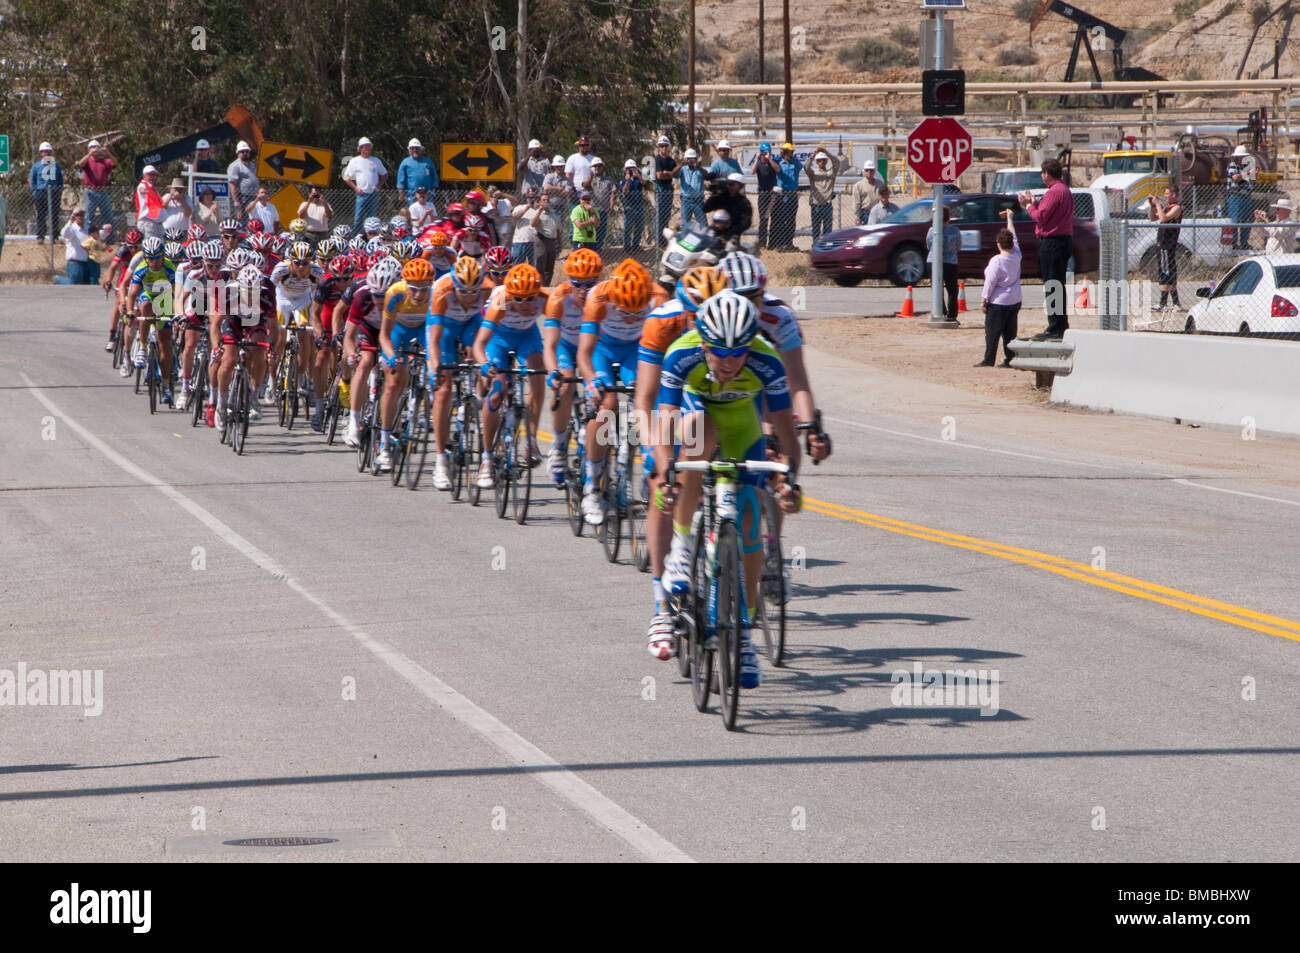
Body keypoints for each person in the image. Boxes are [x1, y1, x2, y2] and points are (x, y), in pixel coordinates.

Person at [1018, 157, 1073, 340]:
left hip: (1052, 242)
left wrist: (1028, 205)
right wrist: (1034, 203)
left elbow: (1040, 216)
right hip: (1062, 241)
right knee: (1057, 284)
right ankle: (1060, 323)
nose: (1042, 176)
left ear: (1047, 173)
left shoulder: (1054, 192)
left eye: (1043, 173)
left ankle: (1055, 326)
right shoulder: (1064, 190)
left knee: (1052, 284)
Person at [977, 209, 1021, 367]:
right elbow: (1013, 234)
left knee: (992, 332)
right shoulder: (1017, 254)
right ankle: (1010, 359)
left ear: (998, 244)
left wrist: (984, 299)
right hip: (1015, 299)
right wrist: (1010, 218)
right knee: (1010, 332)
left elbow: (990, 283)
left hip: (998, 302)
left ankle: (989, 359)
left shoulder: (996, 261)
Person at [344, 136, 388, 237]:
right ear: (360, 149)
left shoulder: (375, 161)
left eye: (368, 147)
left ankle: (371, 238)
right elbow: (346, 177)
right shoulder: (355, 161)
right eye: (364, 147)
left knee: (372, 219)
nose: (366, 149)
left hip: (373, 194)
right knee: (358, 218)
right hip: (361, 194)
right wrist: (355, 188)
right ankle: (356, 238)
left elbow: (385, 174)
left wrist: (379, 186)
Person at [1149, 186, 1183, 312]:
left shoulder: (1176, 207)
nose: (1165, 196)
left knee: (1166, 273)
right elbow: (1153, 218)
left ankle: (1163, 304)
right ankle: (1175, 303)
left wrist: (1157, 203)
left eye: (1168, 193)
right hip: (1162, 245)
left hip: (1167, 245)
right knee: (1169, 273)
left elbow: (1164, 218)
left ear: (1174, 194)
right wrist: (1152, 206)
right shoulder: (1166, 208)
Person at [926, 206, 960, 322]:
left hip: (933, 261)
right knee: (952, 289)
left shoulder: (932, 230)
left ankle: (941, 312)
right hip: (950, 262)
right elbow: (958, 246)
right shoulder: (954, 230)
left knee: (937, 288)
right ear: (948, 217)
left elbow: (928, 245)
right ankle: (952, 315)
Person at [77, 140, 117, 233]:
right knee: (89, 217)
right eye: (92, 147)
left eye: (96, 147)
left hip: (102, 192)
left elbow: (114, 163)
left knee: (108, 216)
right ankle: (87, 236)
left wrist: (108, 153)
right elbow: (80, 164)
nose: (95, 149)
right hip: (91, 192)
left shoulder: (104, 162)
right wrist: (89, 155)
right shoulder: (88, 161)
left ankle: (109, 239)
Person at [703, 173, 753, 244]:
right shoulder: (721, 197)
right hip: (715, 233)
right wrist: (714, 195)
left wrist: (730, 234)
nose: (731, 186)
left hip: (731, 237)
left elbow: (746, 223)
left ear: (740, 186)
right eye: (729, 183)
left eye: (733, 184)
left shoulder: (743, 202)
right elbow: (706, 209)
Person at [804, 148, 841, 241]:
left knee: (828, 229)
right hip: (816, 205)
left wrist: (826, 152)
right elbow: (806, 167)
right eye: (819, 160)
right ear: (816, 162)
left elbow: (837, 162)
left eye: (824, 160)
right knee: (816, 229)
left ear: (827, 161)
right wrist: (812, 156)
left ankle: (826, 247)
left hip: (827, 204)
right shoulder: (813, 174)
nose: (822, 162)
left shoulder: (831, 173)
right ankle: (816, 246)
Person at [30, 142, 64, 244]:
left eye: (49, 152)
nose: (47, 153)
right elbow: (32, 179)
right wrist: (35, 191)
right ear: (41, 153)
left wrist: (59, 191)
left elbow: (60, 180)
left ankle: (54, 236)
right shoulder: (36, 166)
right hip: (41, 193)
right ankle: (41, 236)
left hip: (54, 193)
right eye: (45, 152)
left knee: (54, 214)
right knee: (41, 215)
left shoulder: (56, 166)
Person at [749, 143, 780, 248]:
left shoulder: (773, 162)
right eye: (764, 152)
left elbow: (778, 170)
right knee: (764, 218)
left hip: (773, 195)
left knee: (774, 218)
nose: (765, 154)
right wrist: (757, 159)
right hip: (763, 194)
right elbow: (752, 172)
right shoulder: (758, 163)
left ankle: (773, 243)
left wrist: (769, 159)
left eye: (767, 152)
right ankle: (762, 243)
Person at [772, 142, 801, 250]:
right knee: (782, 218)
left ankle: (789, 243)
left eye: (792, 152)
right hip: (782, 194)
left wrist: (791, 157)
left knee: (791, 220)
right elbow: (774, 166)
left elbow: (800, 167)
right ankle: (781, 243)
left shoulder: (795, 162)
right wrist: (781, 154)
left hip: (792, 194)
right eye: (789, 152)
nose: (791, 154)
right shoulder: (778, 163)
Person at [58, 209, 98, 284]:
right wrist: (70, 221)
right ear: (74, 217)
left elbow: (97, 237)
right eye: (77, 215)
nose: (80, 217)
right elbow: (64, 234)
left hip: (86, 263)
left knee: (87, 285)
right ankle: (57, 279)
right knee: (74, 285)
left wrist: (106, 231)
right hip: (75, 263)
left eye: (82, 215)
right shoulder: (72, 229)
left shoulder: (87, 229)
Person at [226, 141, 260, 225]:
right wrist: (236, 201)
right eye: (242, 151)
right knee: (243, 220)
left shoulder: (252, 164)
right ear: (238, 153)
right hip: (243, 197)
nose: (245, 153)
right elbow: (232, 184)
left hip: (254, 196)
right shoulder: (235, 166)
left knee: (254, 219)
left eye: (247, 151)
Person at [396, 138, 437, 205]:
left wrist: (432, 190)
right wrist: (401, 193)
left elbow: (434, 176)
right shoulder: (405, 162)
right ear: (409, 150)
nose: (415, 150)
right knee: (413, 214)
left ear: (421, 149)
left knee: (427, 213)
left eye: (417, 148)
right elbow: (401, 179)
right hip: (412, 195)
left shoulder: (428, 161)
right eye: (412, 148)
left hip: (427, 194)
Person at [653, 136, 677, 247]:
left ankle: (663, 240)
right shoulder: (657, 159)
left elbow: (676, 173)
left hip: (669, 188)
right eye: (662, 146)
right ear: (659, 147)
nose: (664, 148)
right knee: (659, 214)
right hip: (660, 188)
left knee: (666, 215)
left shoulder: (671, 161)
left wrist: (666, 173)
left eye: (665, 146)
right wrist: (669, 173)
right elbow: (659, 176)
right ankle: (657, 240)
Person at [586, 159, 615, 250]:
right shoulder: (589, 178)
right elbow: (586, 186)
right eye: (595, 166)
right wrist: (591, 177)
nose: (597, 168)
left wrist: (611, 206)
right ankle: (591, 249)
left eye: (599, 166)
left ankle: (598, 249)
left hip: (603, 209)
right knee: (591, 230)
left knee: (602, 230)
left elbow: (612, 194)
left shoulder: (609, 180)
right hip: (591, 209)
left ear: (602, 167)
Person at [509, 187, 542, 264]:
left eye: (534, 197)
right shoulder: (520, 207)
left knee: (534, 267)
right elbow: (514, 217)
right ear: (526, 197)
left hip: (534, 242)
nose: (532, 199)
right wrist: (527, 208)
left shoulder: (539, 210)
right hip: (520, 242)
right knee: (517, 265)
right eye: (530, 197)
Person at [133, 164, 164, 240]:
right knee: (150, 245)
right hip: (147, 221)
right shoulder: (143, 185)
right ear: (144, 175)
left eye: (154, 175)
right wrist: (146, 192)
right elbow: (141, 190)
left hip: (154, 221)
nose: (152, 177)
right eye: (150, 174)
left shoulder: (152, 187)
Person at [1225, 163, 1252, 250]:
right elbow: (1235, 178)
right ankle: (1234, 243)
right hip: (1235, 197)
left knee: (1246, 220)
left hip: (1246, 196)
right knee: (1234, 221)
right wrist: (1247, 173)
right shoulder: (1233, 166)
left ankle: (1244, 243)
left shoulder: (1247, 167)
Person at [676, 149, 706, 226]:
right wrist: (681, 165)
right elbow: (674, 175)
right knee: (685, 224)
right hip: (686, 200)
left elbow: (707, 175)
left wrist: (698, 167)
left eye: (693, 158)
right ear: (685, 159)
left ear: (696, 159)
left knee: (703, 224)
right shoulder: (682, 169)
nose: (691, 161)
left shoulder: (700, 169)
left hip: (698, 200)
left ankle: (703, 237)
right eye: (689, 159)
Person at [620, 159, 645, 251]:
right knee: (628, 228)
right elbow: (624, 191)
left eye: (632, 168)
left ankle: (636, 246)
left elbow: (645, 183)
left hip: (639, 207)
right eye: (628, 169)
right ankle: (626, 247)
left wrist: (638, 175)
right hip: (629, 207)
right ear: (625, 170)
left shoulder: (638, 180)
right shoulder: (623, 181)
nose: (630, 170)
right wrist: (627, 180)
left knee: (639, 227)